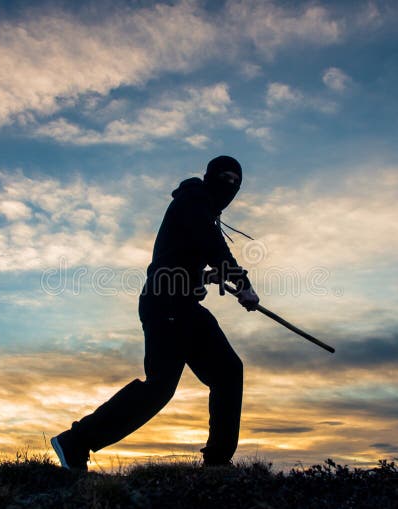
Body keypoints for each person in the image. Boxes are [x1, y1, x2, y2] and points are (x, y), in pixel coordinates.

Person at [51, 155, 260, 471]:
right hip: (165, 306)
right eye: (224, 178)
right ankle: (76, 441)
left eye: (236, 182)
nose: (230, 186)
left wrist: (203, 277)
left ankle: (218, 462)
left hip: (183, 306)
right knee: (159, 388)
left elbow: (175, 261)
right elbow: (208, 240)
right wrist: (240, 280)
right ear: (209, 177)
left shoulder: (201, 209)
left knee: (229, 372)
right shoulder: (194, 199)